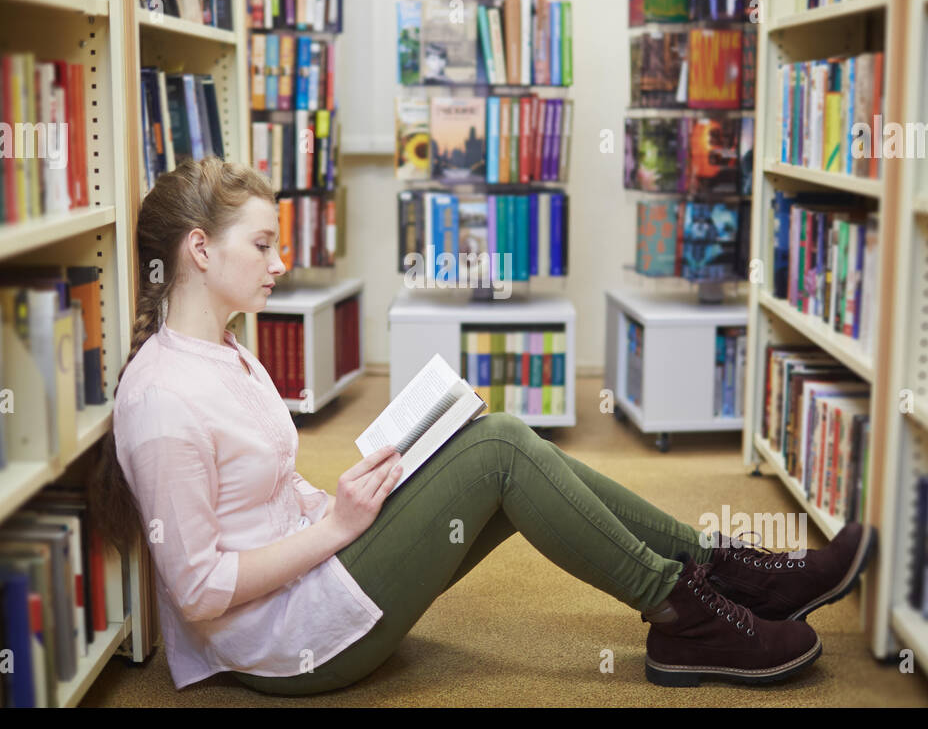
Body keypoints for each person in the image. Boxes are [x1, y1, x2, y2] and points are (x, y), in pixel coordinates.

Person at [93, 157, 878, 696]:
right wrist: (337, 527)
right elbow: (198, 592)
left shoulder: (226, 353)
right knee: (500, 449)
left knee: (489, 436)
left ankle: (725, 574)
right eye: (262, 244)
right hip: (287, 648)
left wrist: (340, 498)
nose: (277, 262)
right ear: (199, 249)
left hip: (311, 575)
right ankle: (684, 614)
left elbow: (259, 491)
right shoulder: (162, 399)